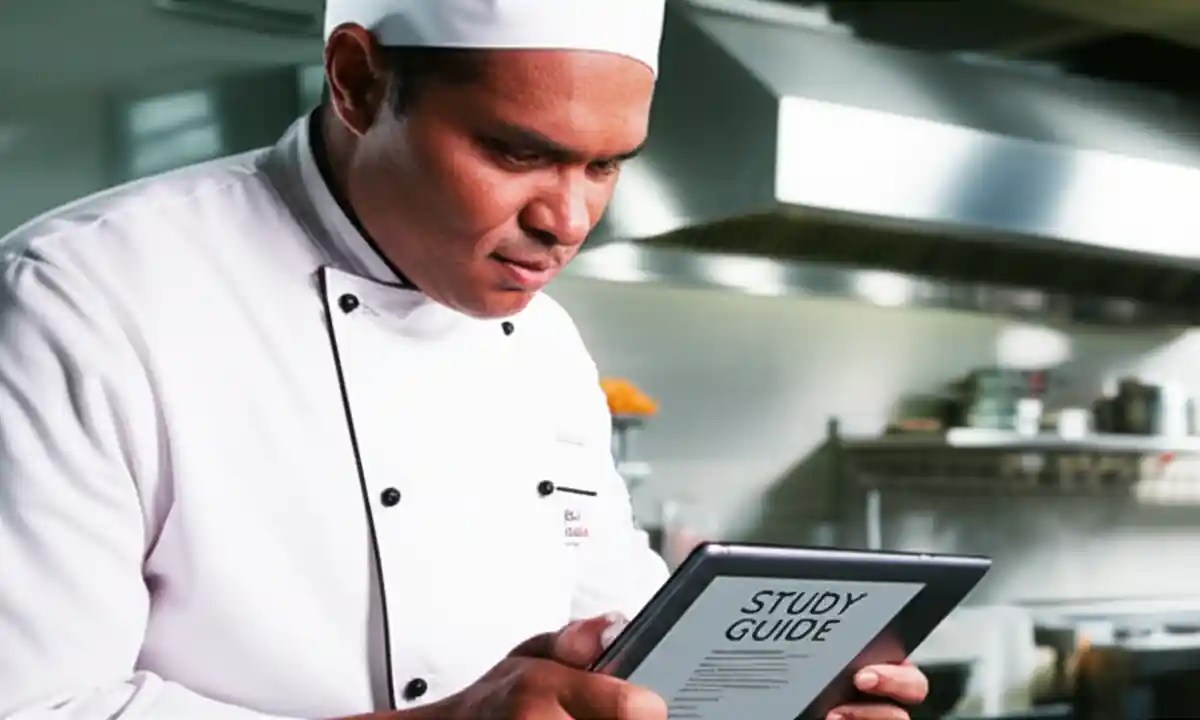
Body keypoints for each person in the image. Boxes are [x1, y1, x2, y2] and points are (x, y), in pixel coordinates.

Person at [0, 1, 929, 718]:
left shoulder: (547, 345)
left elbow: (617, 643)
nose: (567, 221)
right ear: (358, 82)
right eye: (518, 152)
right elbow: (37, 704)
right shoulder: (84, 298)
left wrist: (767, 698)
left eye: (605, 166)